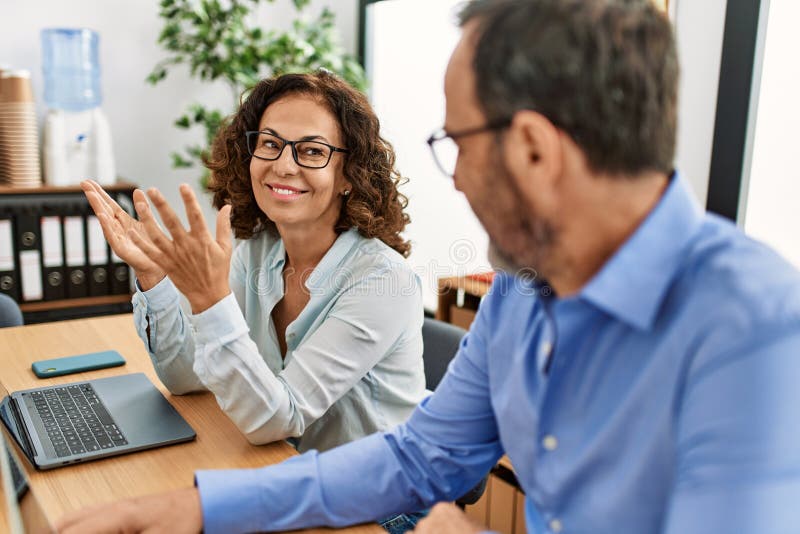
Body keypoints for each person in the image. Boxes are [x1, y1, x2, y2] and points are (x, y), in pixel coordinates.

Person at [58, 1, 800, 533]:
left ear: (535, 150)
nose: (456, 179)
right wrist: (195, 506)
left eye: (458, 143)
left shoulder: (755, 331)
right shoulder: (521, 291)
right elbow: (418, 459)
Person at [78, 71, 426, 456]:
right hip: (289, 473)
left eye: (312, 151)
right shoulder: (257, 251)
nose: (283, 165)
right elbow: (184, 376)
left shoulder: (383, 281)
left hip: (382, 506)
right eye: (270, 144)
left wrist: (210, 301)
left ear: (348, 174)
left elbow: (278, 419)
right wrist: (153, 274)